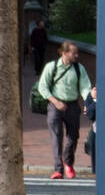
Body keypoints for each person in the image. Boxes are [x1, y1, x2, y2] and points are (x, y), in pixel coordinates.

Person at [38, 41, 92, 179]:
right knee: (56, 137)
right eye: (74, 53)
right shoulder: (52, 67)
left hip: (72, 105)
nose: (77, 55)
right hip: (54, 105)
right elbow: (43, 87)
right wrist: (56, 102)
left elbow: (85, 87)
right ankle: (58, 169)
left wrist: (88, 102)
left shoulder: (79, 68)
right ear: (64, 53)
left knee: (73, 137)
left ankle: (68, 162)